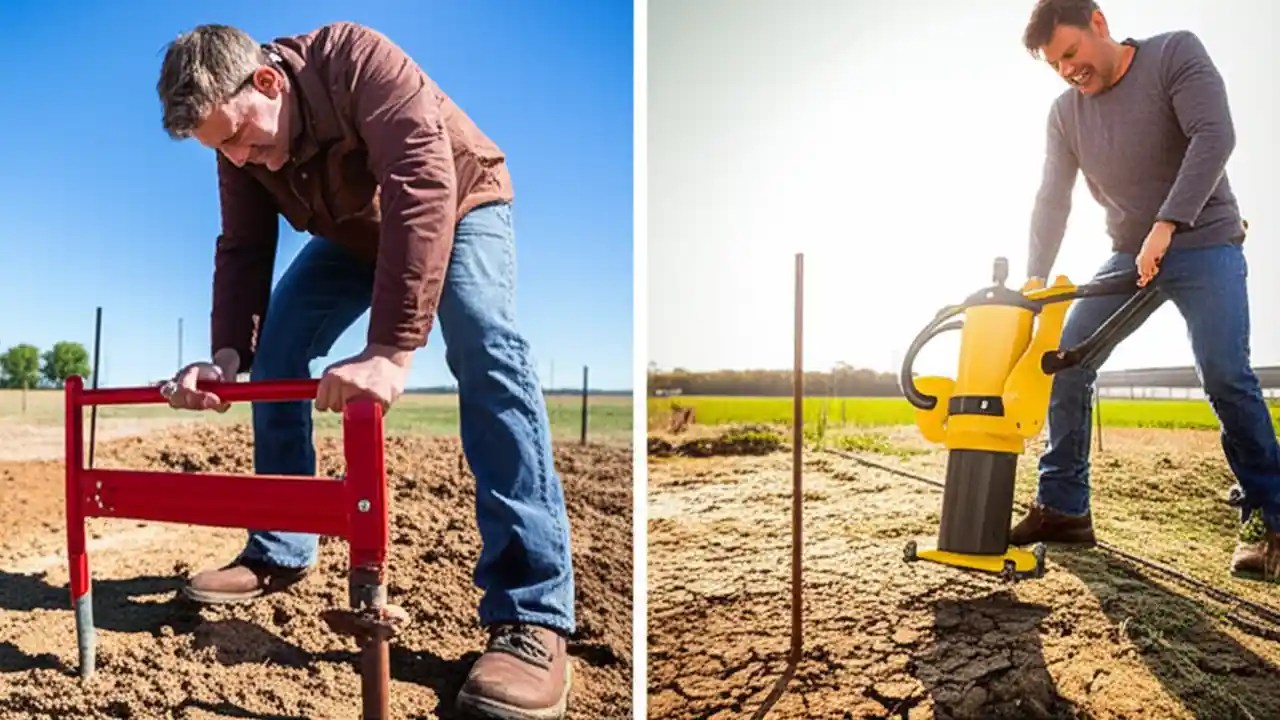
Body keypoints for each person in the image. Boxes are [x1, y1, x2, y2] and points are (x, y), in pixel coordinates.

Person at [155, 22, 576, 718]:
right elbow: (243, 246)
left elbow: (420, 181)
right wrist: (228, 356)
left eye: (241, 137)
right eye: (221, 149)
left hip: (458, 199)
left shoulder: (357, 59)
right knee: (280, 349)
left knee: (481, 337)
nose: (239, 158)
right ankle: (282, 545)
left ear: (267, 82)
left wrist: (393, 347)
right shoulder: (238, 141)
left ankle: (532, 615)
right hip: (356, 233)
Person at [1010, 0, 1280, 582]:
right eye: (1056, 64)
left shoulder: (1174, 53)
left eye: (1072, 53)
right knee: (1065, 360)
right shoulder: (1065, 114)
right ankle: (1062, 508)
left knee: (1226, 375)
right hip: (1128, 258)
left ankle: (1270, 517)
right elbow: (1052, 198)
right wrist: (1034, 283)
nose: (1067, 71)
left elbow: (1215, 135)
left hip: (1207, 242)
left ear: (1098, 24)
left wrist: (1167, 224)